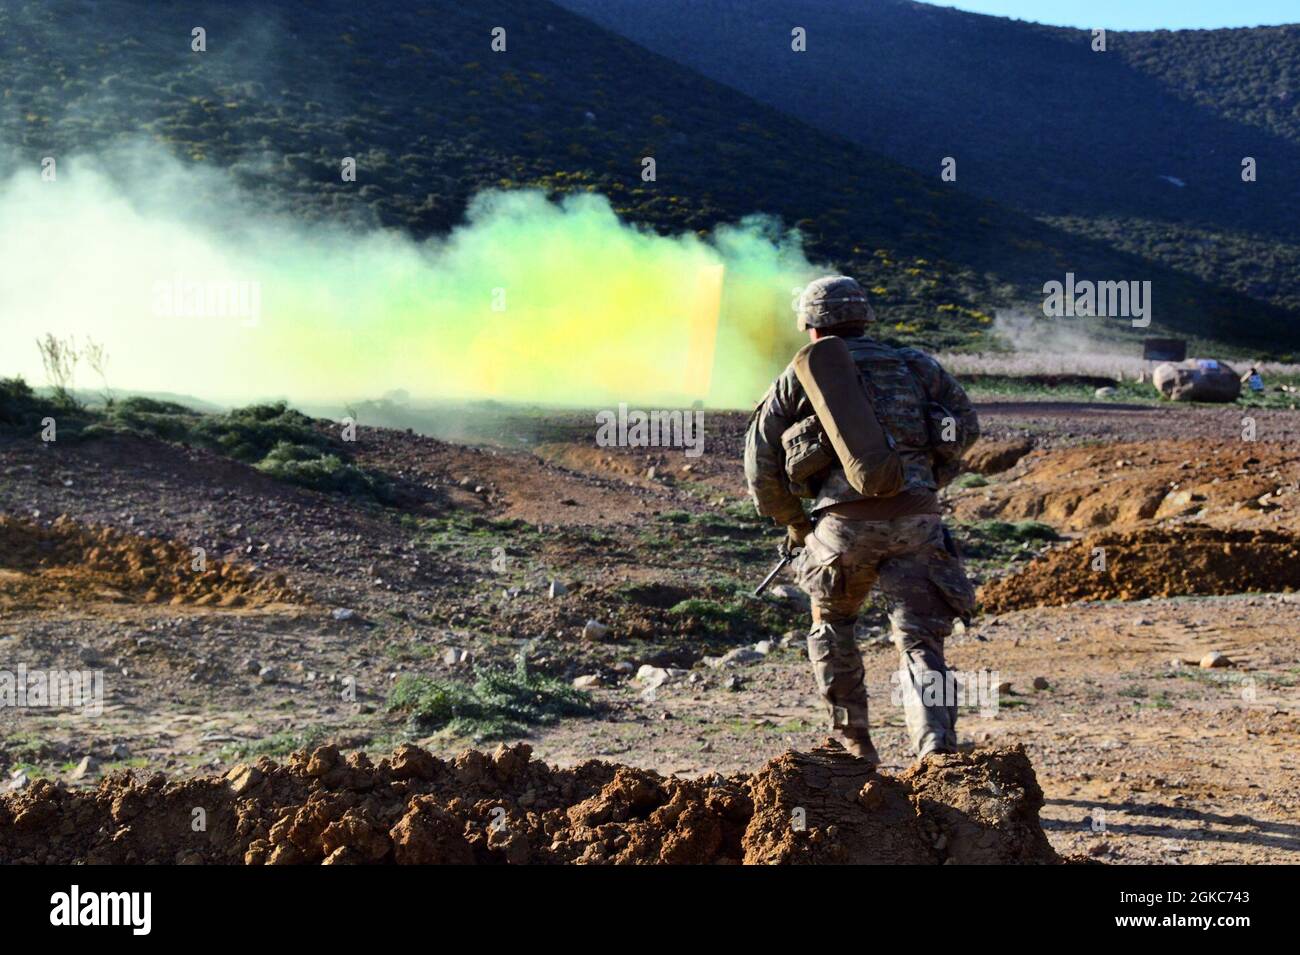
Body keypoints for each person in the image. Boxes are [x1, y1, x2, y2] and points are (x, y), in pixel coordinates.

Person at [744, 275, 979, 766]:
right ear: (865, 318)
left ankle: (856, 746)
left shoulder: (798, 377)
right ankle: (936, 748)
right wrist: (932, 480)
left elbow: (761, 465)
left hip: (840, 530)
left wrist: (796, 525)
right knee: (919, 639)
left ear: (810, 325)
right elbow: (965, 425)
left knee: (833, 626)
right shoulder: (916, 366)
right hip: (917, 520)